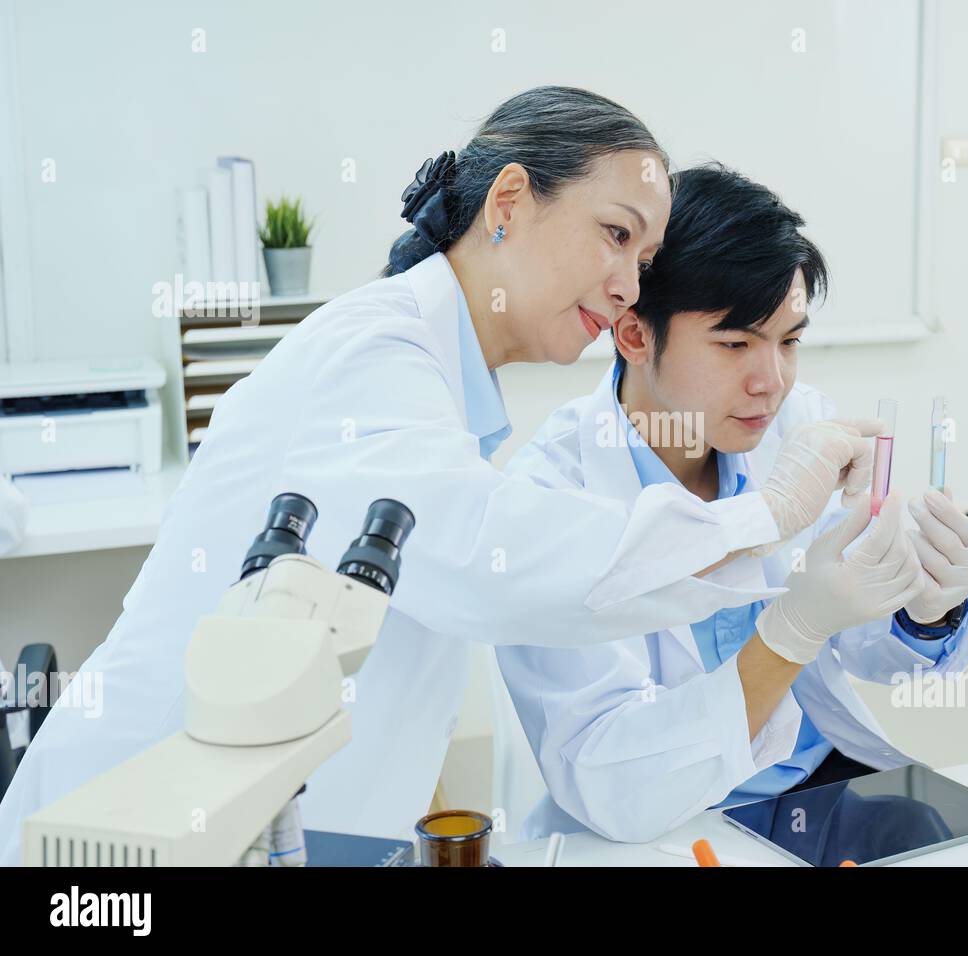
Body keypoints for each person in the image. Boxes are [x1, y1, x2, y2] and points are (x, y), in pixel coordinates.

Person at [0, 91, 879, 863]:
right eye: (614, 235)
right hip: (128, 832)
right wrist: (761, 519)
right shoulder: (372, 355)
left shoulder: (445, 394)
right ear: (508, 202)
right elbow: (492, 556)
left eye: (644, 264)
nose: (625, 287)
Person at [496, 165, 968, 843]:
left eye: (788, 341)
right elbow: (616, 779)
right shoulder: (550, 498)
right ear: (635, 334)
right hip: (670, 818)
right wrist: (791, 630)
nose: (772, 383)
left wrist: (925, 608)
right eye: (734, 344)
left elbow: (864, 647)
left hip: (818, 782)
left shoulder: (794, 431)